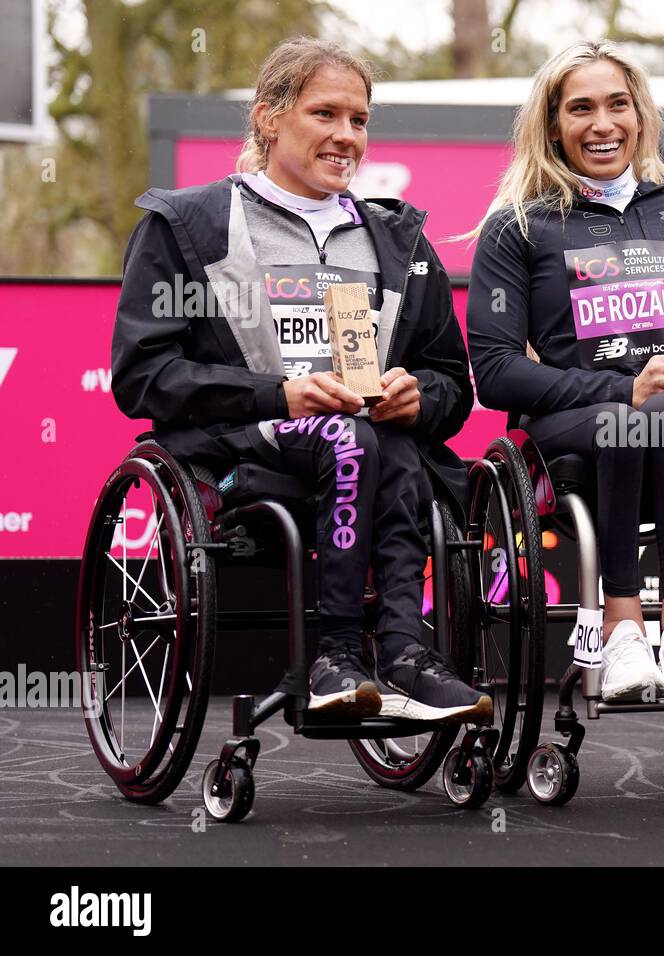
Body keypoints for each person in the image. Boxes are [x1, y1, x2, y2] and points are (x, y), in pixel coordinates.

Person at [111, 37, 490, 724]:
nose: (347, 136)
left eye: (359, 120)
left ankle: (404, 654)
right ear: (268, 117)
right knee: (353, 440)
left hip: (381, 460)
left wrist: (418, 399)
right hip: (242, 459)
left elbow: (451, 385)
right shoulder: (187, 226)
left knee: (387, 441)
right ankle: (336, 655)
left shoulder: (400, 241)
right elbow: (144, 376)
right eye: (325, 114)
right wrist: (279, 395)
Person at [465, 40, 664, 703]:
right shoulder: (516, 227)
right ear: (553, 125)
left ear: (640, 116)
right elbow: (494, 372)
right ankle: (636, 623)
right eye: (581, 109)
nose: (602, 124)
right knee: (640, 412)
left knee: (660, 413)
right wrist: (625, 387)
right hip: (569, 427)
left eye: (617, 105)